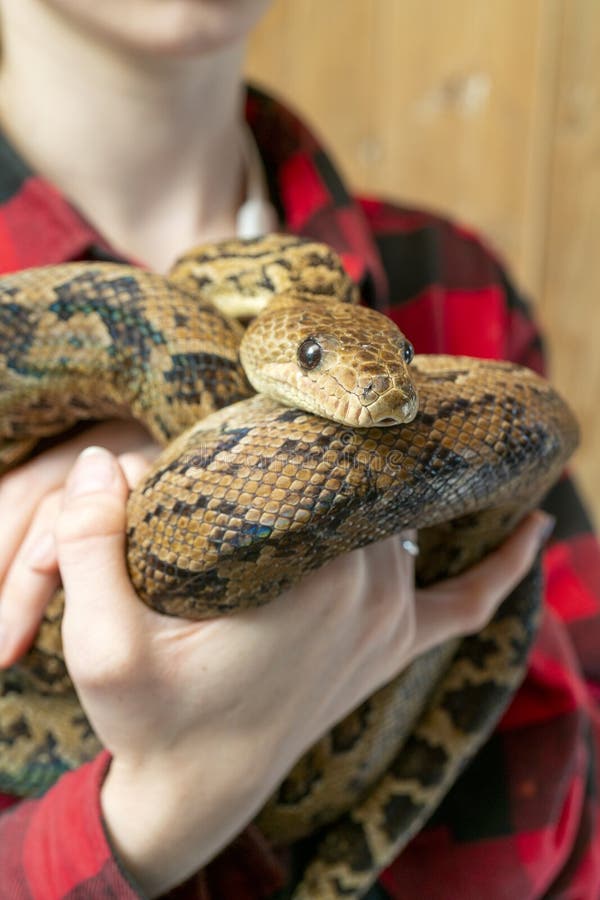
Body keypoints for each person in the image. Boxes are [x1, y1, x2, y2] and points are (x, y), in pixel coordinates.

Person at [0, 1, 597, 898]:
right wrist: (166, 812)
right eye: (318, 365)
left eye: (392, 366)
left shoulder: (457, 282)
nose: (379, 398)